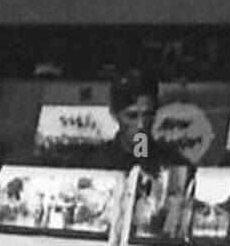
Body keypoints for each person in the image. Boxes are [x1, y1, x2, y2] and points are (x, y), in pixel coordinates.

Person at [53, 71, 187, 173]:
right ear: (114, 114)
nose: (141, 125)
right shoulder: (95, 164)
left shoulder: (174, 165)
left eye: (147, 115)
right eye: (131, 116)